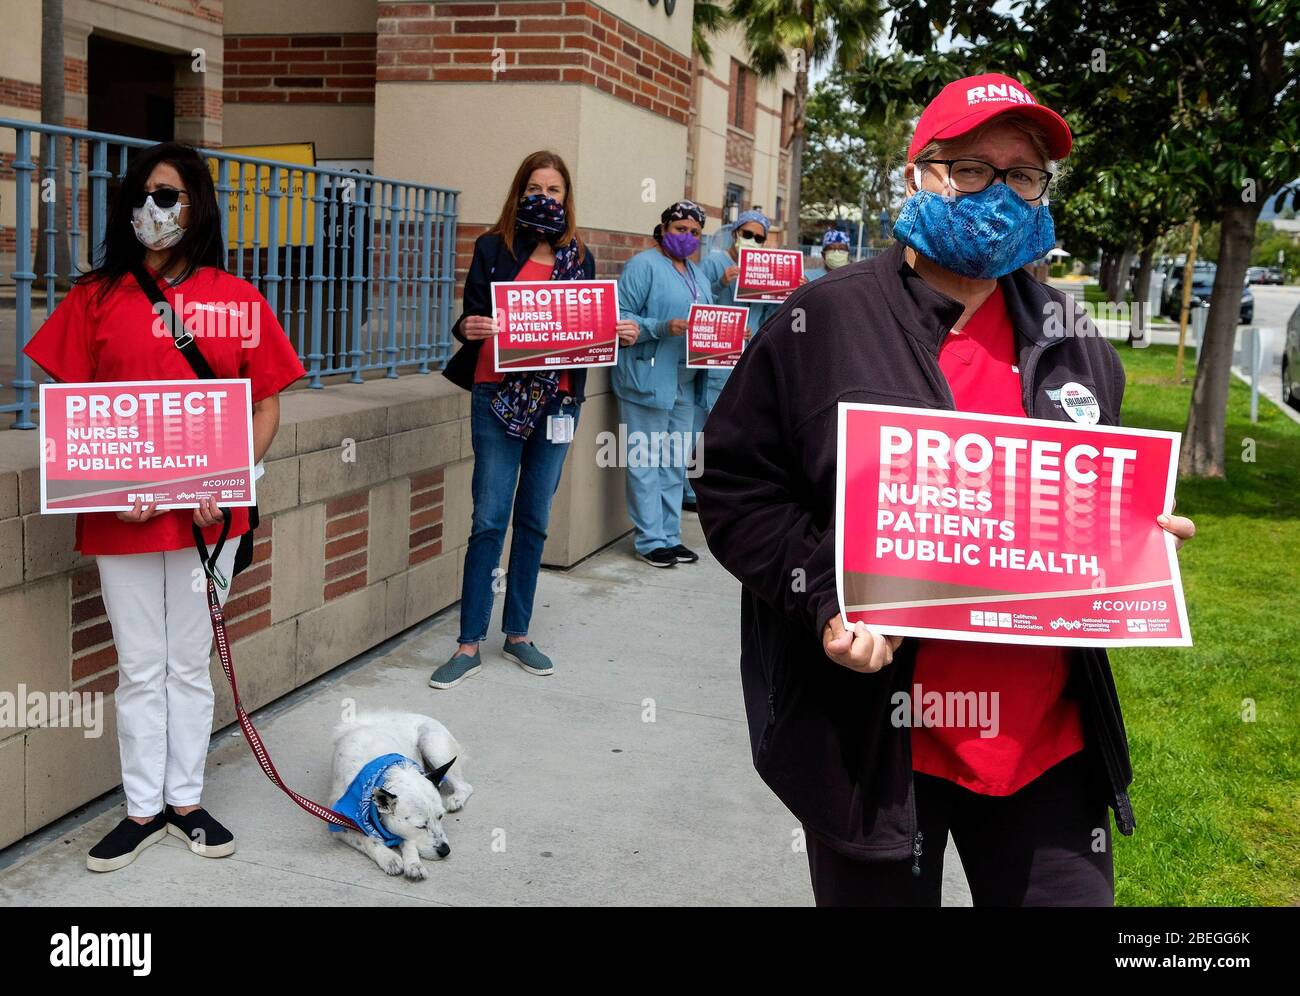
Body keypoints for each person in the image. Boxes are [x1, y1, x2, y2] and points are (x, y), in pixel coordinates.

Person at [695, 73, 1197, 907]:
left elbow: (1081, 509)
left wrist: (1135, 539)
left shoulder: (1076, 343)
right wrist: (827, 594)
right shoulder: (822, 324)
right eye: (970, 169)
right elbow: (735, 487)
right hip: (881, 752)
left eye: (1023, 174)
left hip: (1045, 749)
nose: (999, 193)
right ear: (917, 172)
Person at [23, 142, 306, 872]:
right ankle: (141, 809)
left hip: (208, 520)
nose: (157, 210)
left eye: (171, 196)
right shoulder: (95, 298)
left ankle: (187, 799)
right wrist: (119, 488)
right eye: (146, 195)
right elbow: (78, 417)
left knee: (188, 663)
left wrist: (231, 475)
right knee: (140, 666)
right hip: (122, 521)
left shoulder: (238, 298)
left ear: (199, 205)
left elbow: (264, 402)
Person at [434, 151, 638, 688]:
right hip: (498, 397)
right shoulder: (490, 247)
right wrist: (470, 328)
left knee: (535, 520)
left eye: (554, 190)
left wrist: (612, 332)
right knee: (489, 519)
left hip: (559, 402)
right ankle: (468, 641)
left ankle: (518, 633)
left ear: (567, 198)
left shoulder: (579, 256)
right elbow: (470, 317)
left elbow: (587, 326)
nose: (545, 198)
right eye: (535, 188)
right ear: (519, 192)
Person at [612, 201, 713, 567]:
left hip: (685, 381)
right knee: (644, 460)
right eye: (680, 229)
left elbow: (707, 320)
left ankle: (670, 535)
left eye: (695, 232)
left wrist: (730, 335)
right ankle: (650, 539)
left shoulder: (697, 274)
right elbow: (620, 318)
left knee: (673, 463)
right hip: (648, 377)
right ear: (664, 228)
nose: (687, 237)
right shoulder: (643, 266)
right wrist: (661, 327)